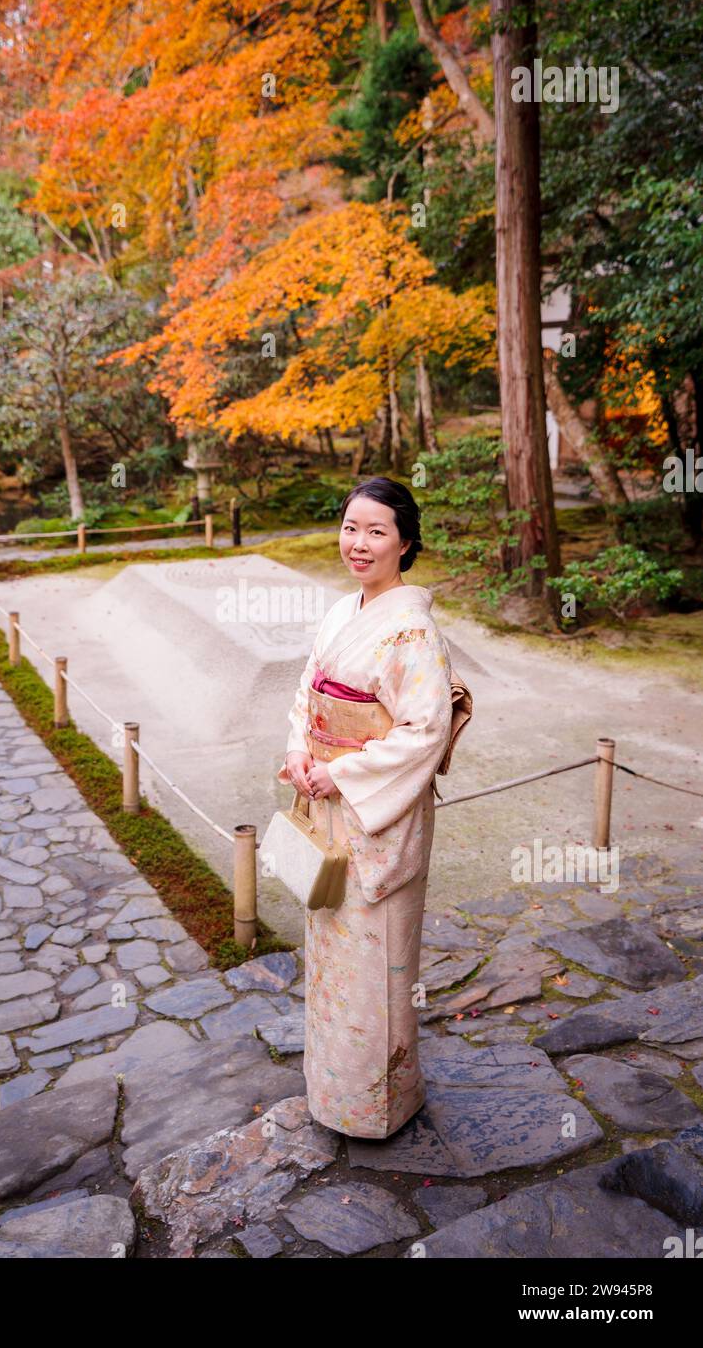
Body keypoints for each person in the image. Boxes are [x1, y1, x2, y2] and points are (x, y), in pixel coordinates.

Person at [278, 476, 454, 1139]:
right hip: (326, 797)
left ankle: (380, 1103)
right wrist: (300, 753)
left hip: (377, 811)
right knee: (330, 951)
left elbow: (424, 734)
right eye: (351, 527)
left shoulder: (412, 632)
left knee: (377, 962)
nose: (358, 543)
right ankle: (333, 1092)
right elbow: (306, 692)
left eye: (376, 531)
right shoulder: (339, 612)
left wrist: (340, 773)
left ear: (404, 543)